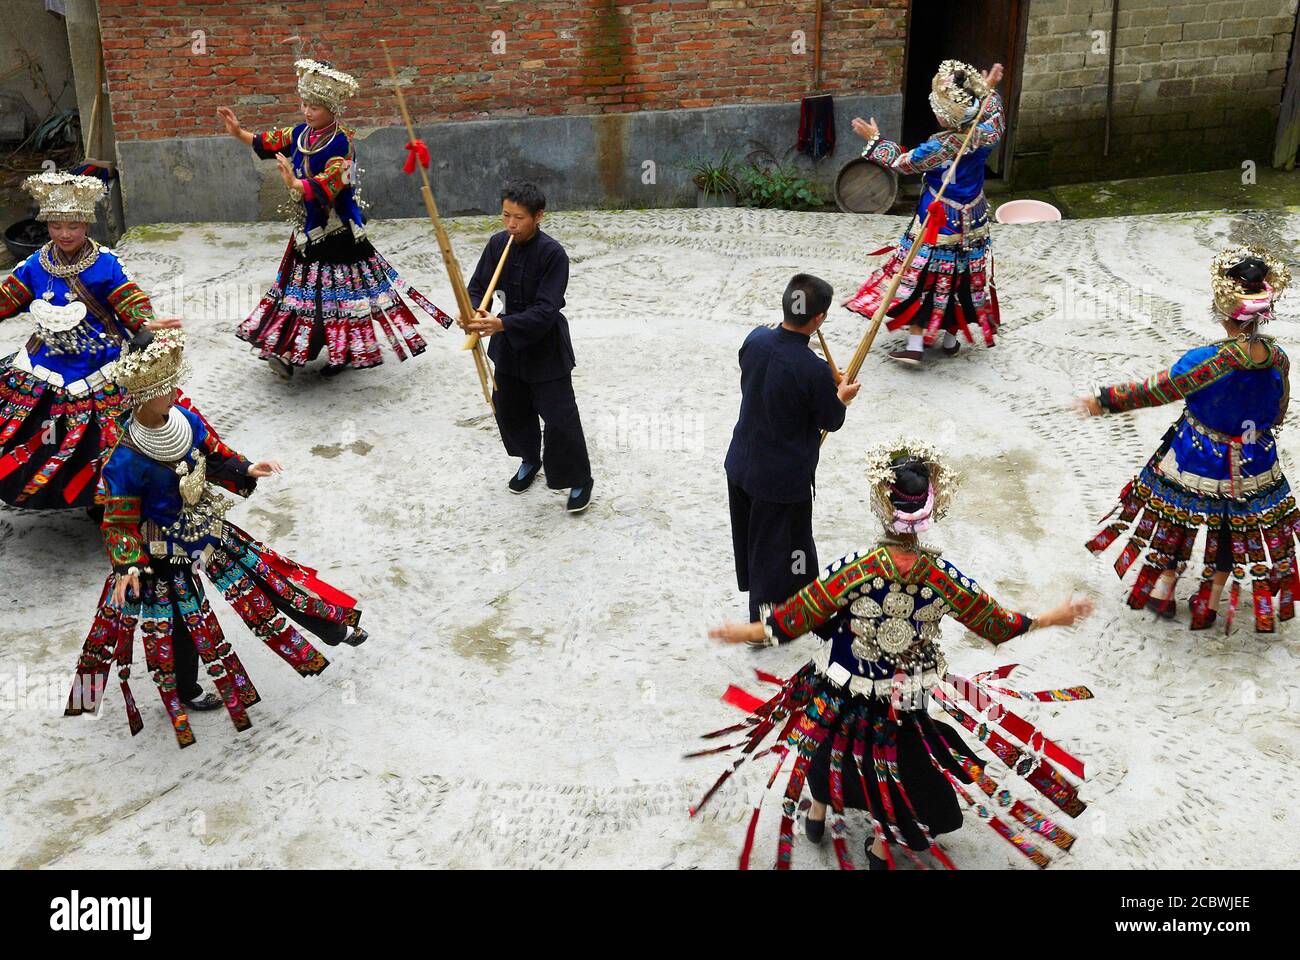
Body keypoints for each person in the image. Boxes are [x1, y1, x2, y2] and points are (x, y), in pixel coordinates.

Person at [701, 440, 1094, 869]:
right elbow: (995, 623)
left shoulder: (855, 568)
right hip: (902, 704)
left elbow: (797, 616)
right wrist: (1050, 617)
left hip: (842, 692)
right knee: (902, 772)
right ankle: (879, 841)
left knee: (826, 741)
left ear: (881, 504)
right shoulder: (945, 579)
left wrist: (745, 630)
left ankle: (817, 807)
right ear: (931, 509)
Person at [64, 329, 367, 748]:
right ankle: (187, 689)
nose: (173, 393)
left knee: (267, 582)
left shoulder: (185, 420)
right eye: (163, 388)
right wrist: (129, 564)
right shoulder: (124, 457)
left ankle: (335, 628)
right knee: (184, 625)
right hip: (159, 550)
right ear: (141, 395)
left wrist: (245, 467)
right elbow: (117, 521)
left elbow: (215, 455)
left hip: (205, 527)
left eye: (172, 385)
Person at [1080, 246, 1296, 632]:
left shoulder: (1207, 360)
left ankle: (1163, 591)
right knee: (1233, 530)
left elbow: (1156, 390)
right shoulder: (1277, 358)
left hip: (1196, 458)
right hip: (1255, 461)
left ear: (1223, 308)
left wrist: (1104, 400)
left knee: (1176, 520)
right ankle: (1210, 600)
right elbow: (1279, 412)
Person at [218, 59, 451, 379]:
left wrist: (296, 184)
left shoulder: (342, 142)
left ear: (330, 108)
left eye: (314, 106)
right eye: (304, 104)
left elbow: (332, 181)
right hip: (308, 227)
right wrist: (238, 132)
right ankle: (296, 351)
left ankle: (317, 353)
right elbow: (268, 142)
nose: (307, 111)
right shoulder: (300, 133)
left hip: (337, 229)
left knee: (330, 298)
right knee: (301, 294)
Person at [0, 171, 181, 512]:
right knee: (35, 433)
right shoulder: (35, 266)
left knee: (104, 440)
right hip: (44, 365)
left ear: (87, 225)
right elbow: (7, 298)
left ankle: (105, 499)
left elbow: (128, 298)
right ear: (46, 224)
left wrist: (144, 321)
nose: (64, 234)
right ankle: (50, 489)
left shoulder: (106, 265)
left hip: (99, 367)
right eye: (56, 226)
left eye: (73, 226)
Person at [845, 60, 1006, 367]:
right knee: (961, 276)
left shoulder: (939, 147)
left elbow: (904, 162)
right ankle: (949, 338)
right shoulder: (984, 135)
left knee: (925, 278)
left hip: (939, 219)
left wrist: (874, 141)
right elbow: (995, 114)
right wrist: (988, 90)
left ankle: (916, 344)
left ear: (945, 117)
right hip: (972, 218)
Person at [725, 273, 860, 621]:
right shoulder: (811, 370)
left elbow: (770, 373)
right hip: (780, 480)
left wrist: (824, 384)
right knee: (776, 548)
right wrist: (841, 397)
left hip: (742, 462)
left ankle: (804, 598)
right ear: (819, 319)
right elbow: (831, 420)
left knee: (768, 542)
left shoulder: (755, 339)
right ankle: (764, 623)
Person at [464, 181, 594, 514]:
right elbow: (479, 286)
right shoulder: (497, 245)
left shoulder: (553, 254)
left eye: (519, 218)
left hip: (545, 346)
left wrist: (501, 324)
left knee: (560, 417)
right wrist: (474, 310)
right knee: (509, 406)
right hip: (507, 347)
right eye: (506, 215)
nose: (510, 224)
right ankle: (529, 458)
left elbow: (546, 309)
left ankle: (578, 478)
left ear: (538, 217)